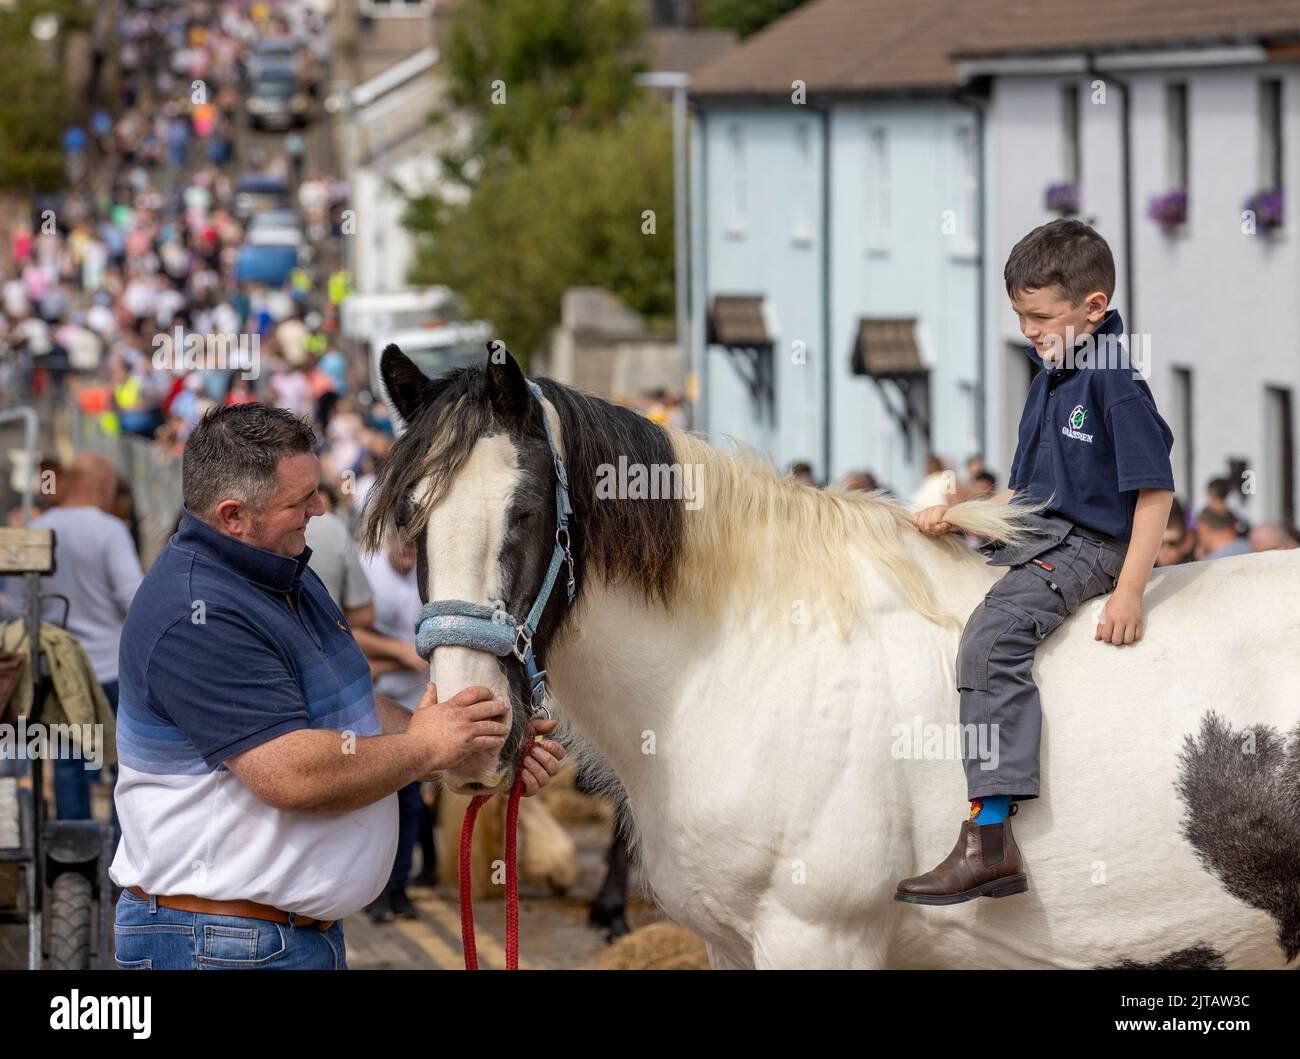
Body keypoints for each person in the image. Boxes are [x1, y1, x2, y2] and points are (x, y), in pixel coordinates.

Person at [109, 404, 565, 970]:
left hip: (265, 939)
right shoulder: (198, 612)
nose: (319, 509)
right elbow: (290, 772)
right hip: (219, 944)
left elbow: (343, 715)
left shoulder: (278, 573)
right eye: (299, 500)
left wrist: (475, 742)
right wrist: (428, 747)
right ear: (233, 516)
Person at [896, 218, 1175, 905]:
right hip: (1037, 532)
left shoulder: (1115, 382)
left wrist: (1130, 591)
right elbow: (1028, 497)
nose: (1027, 328)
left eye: (1039, 316)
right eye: (1019, 315)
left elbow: (1156, 491)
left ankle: (990, 836)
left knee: (991, 638)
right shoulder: (1053, 369)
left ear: (1094, 307)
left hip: (1089, 547)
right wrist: (959, 520)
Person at [0, 454, 142, 841]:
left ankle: (72, 856)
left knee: (67, 763)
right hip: (110, 668)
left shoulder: (36, 528)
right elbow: (134, 596)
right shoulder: (109, 530)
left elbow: (14, 607)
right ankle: (118, 856)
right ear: (102, 486)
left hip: (57, 671)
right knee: (121, 766)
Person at [358, 536, 429, 922]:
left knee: (412, 805)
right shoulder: (366, 572)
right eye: (402, 547)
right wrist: (401, 656)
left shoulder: (427, 571)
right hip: (376, 705)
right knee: (383, 802)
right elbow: (349, 634)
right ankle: (376, 892)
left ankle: (399, 889)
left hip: (416, 709)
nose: (408, 557)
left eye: (414, 550)